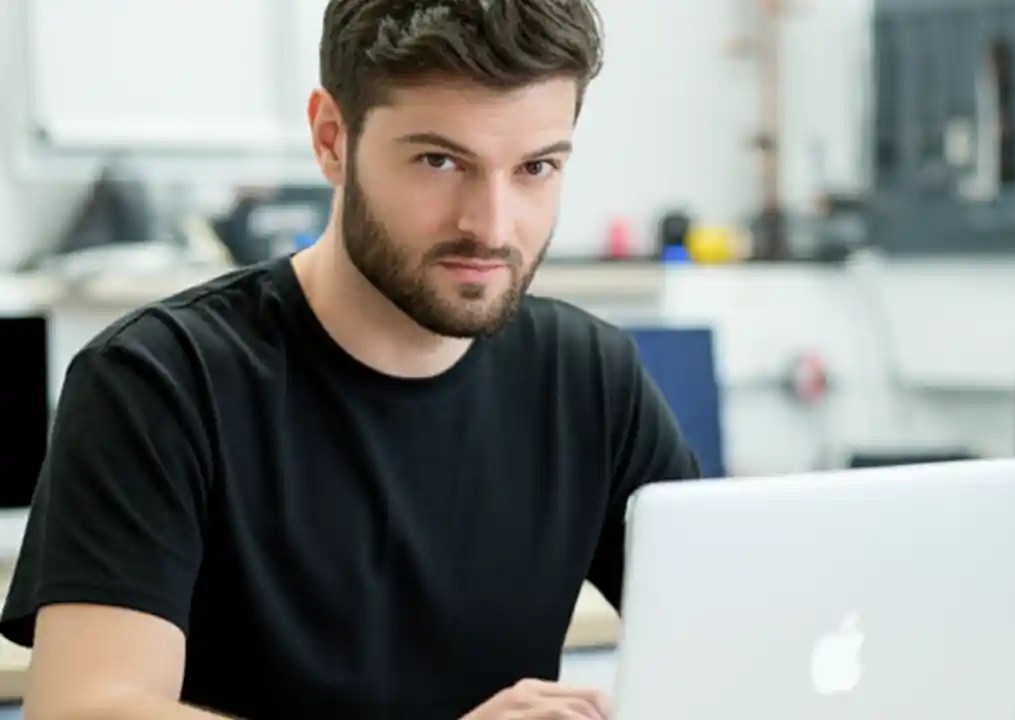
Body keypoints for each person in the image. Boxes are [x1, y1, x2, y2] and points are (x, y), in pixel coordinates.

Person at [0, 1, 701, 718]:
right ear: (332, 139)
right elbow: (84, 709)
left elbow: (737, 634)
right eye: (439, 160)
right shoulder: (158, 381)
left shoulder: (590, 379)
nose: (491, 225)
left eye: (535, 168)